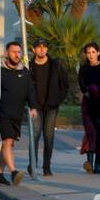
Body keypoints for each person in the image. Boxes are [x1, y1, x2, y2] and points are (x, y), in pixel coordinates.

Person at [0, 40, 34, 186]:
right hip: (2, 112)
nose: (17, 55)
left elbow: (30, 91)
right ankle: (13, 172)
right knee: (7, 141)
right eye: (13, 52)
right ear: (6, 53)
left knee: (9, 144)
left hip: (17, 113)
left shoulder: (24, 71)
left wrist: (34, 107)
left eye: (19, 52)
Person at [27, 37, 70, 177]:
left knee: (49, 136)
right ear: (34, 49)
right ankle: (32, 165)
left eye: (44, 47)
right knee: (35, 135)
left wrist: (57, 100)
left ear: (47, 49)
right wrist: (28, 102)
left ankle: (47, 166)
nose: (42, 49)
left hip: (51, 106)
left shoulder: (55, 65)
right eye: (38, 47)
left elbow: (65, 85)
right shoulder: (29, 66)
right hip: (35, 106)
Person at [78, 42, 100, 174]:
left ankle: (97, 164)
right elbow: (82, 85)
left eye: (93, 52)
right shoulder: (83, 68)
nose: (91, 55)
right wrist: (89, 90)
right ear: (85, 54)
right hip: (88, 103)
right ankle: (90, 163)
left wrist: (98, 90)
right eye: (88, 53)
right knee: (91, 132)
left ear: (98, 53)